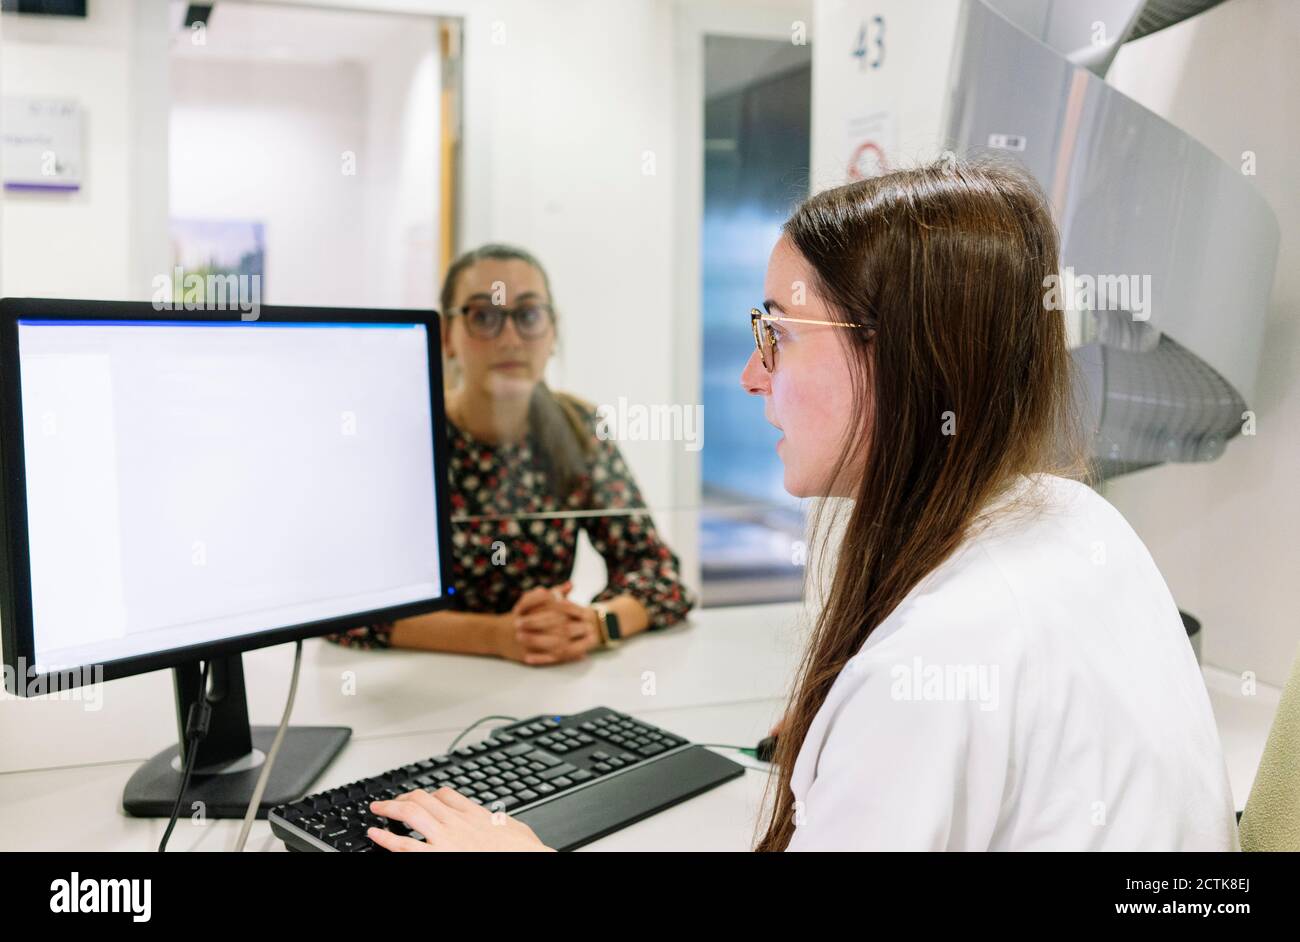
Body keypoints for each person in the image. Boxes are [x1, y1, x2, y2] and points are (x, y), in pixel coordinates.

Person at [363, 157, 1238, 851]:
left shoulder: (931, 663)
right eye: (483, 316)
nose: (752, 375)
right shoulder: (1079, 518)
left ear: (898, 354)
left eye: (777, 332)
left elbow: (658, 579)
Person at [328, 244, 694, 666]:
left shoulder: (578, 429)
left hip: (546, 683)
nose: (510, 338)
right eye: (483, 316)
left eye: (529, 315)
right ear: (447, 336)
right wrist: (498, 636)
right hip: (414, 683)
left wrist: (592, 624)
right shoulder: (405, 438)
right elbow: (345, 607)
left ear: (552, 333)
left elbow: (657, 573)